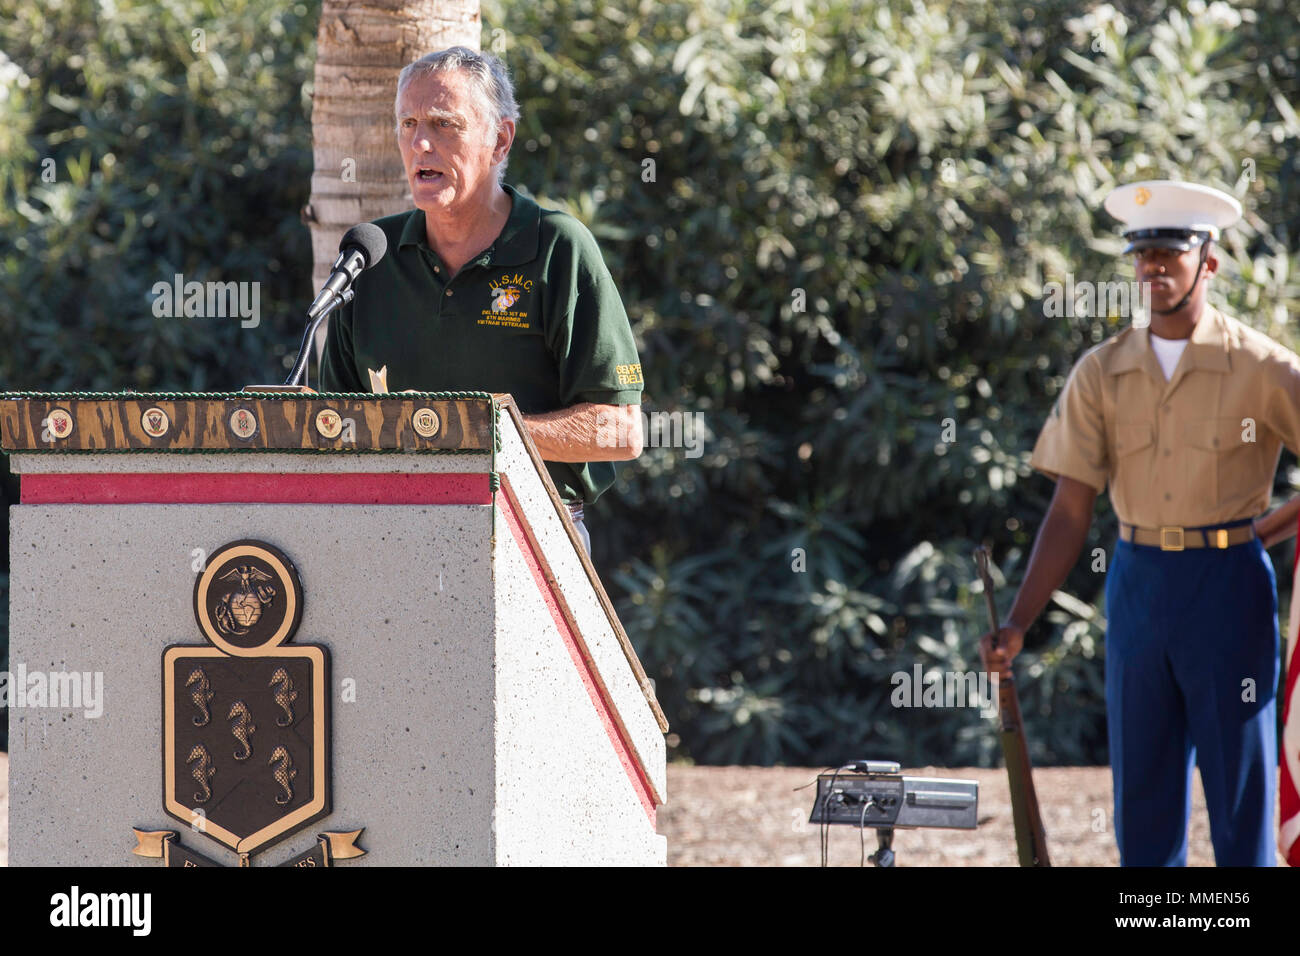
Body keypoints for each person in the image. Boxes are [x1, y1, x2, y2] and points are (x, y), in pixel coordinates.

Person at [979, 180, 1300, 866]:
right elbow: (1070, 509)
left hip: (1227, 589)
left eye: (1171, 253)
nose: (1154, 268)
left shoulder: (1262, 367)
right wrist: (1017, 621)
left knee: (1242, 807)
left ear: (1208, 262)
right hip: (1138, 586)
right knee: (1144, 812)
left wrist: (1265, 531)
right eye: (1143, 253)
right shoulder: (1102, 372)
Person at [320, 47, 645, 555]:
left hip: (529, 539)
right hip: (388, 540)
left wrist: (476, 433)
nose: (420, 143)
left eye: (445, 124)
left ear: (500, 139)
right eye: (408, 124)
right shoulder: (370, 256)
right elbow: (331, 430)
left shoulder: (558, 246)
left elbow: (620, 431)